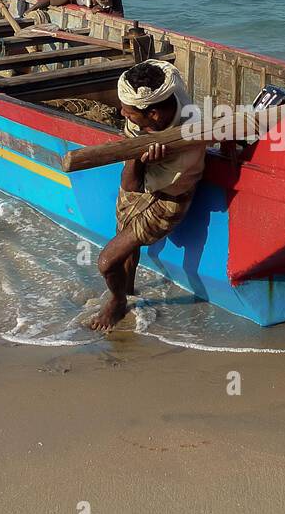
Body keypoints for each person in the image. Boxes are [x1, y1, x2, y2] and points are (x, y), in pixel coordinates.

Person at [80, 60, 206, 331]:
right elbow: (157, 69)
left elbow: (133, 184)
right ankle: (127, 287)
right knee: (124, 231)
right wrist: (140, 145)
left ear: (154, 115)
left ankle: (118, 300)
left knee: (107, 261)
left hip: (169, 198)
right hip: (147, 171)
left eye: (128, 112)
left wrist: (137, 155)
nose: (122, 113)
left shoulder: (185, 153)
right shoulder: (167, 86)